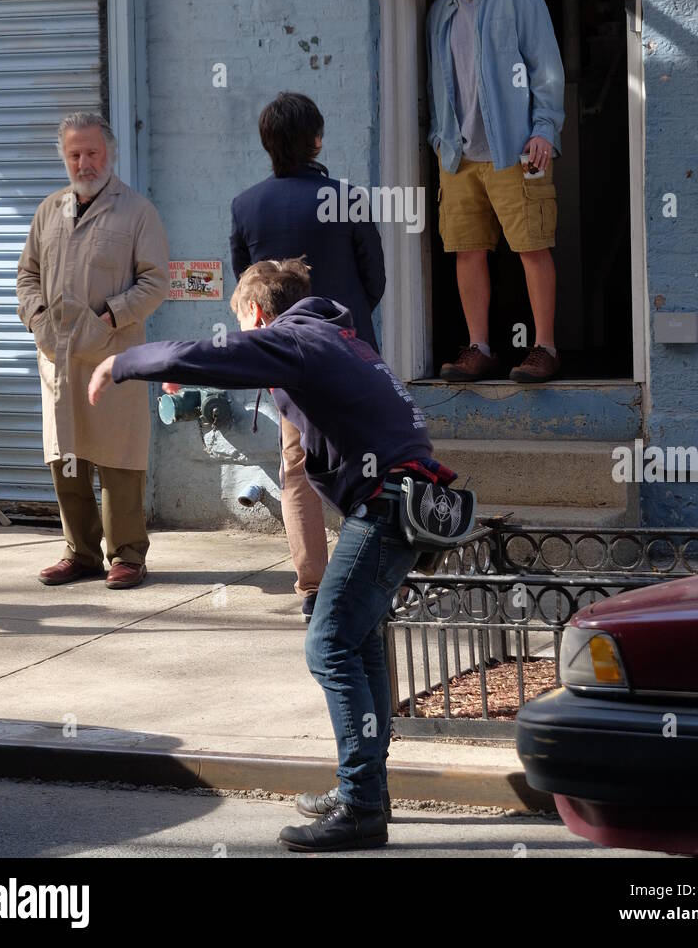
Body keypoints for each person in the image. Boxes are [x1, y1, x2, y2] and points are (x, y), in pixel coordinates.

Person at [88, 257, 449, 852]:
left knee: (329, 643)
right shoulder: (336, 336)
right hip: (407, 497)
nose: (250, 338)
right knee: (357, 642)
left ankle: (361, 807)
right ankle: (368, 790)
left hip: (388, 504)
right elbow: (251, 368)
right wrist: (199, 375)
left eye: (247, 326)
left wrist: (123, 362)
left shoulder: (297, 341)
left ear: (257, 313)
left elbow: (224, 354)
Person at [231, 92, 385, 622]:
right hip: (350, 349)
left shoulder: (246, 206)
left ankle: (314, 588)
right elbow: (376, 282)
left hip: (285, 357)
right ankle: (372, 577)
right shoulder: (348, 199)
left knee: (297, 469)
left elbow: (249, 292)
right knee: (369, 464)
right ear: (316, 139)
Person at [17, 112, 169, 589]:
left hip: (112, 356)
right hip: (58, 360)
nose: (83, 163)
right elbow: (26, 276)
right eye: (74, 154)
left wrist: (109, 317)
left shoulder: (137, 212)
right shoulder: (49, 211)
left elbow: (155, 282)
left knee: (119, 456)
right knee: (67, 456)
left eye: (91, 152)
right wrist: (37, 319)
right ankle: (79, 552)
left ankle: (127, 555)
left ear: (111, 152)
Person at [425, 0, 565, 383]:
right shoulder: (439, 12)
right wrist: (438, 138)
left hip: (516, 148)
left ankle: (544, 347)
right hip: (459, 157)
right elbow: (437, 86)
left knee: (532, 247)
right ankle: (479, 347)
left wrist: (544, 128)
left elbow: (546, 66)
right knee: (467, 250)